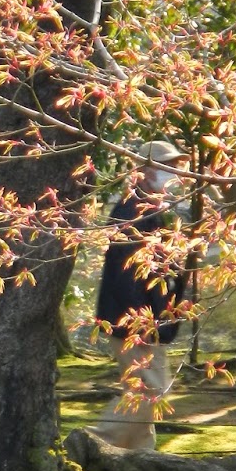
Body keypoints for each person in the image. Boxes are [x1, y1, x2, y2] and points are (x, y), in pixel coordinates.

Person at [92, 141, 187, 452]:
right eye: (166, 167)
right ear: (144, 171)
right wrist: (143, 323)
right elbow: (125, 276)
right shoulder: (132, 212)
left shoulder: (152, 211)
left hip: (146, 323)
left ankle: (140, 461)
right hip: (135, 324)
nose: (174, 174)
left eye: (176, 166)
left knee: (151, 392)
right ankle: (97, 445)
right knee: (148, 390)